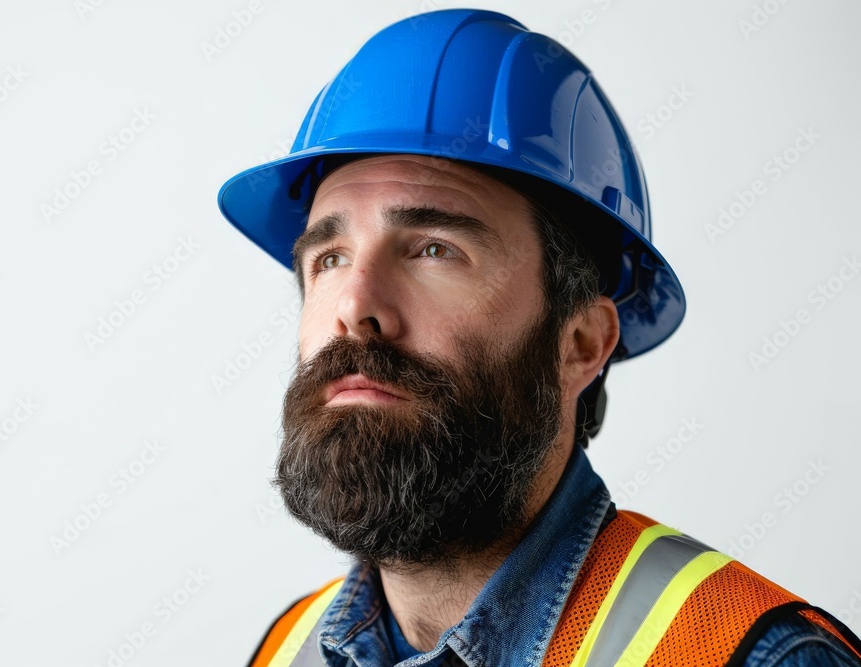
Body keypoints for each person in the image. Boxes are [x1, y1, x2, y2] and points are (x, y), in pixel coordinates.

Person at [217, 9, 861, 667]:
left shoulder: (749, 655)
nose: (354, 307)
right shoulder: (283, 650)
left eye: (434, 248)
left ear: (581, 342)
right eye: (329, 258)